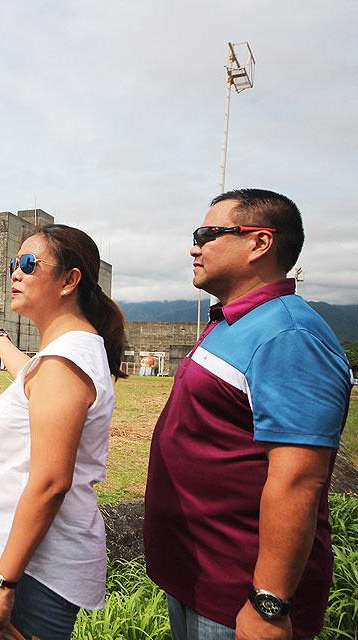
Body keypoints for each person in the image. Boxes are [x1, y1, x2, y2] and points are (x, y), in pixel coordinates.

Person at [144, 189, 353, 640]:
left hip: (238, 596)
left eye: (208, 233)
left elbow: (299, 478)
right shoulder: (233, 321)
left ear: (260, 243)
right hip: (197, 578)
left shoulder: (287, 335)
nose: (194, 246)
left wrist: (268, 603)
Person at [0, 224, 127, 640]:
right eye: (14, 264)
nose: (16, 273)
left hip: (36, 572)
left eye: (30, 264)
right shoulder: (62, 356)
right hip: (31, 564)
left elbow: (51, 482)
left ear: (70, 281)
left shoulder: (65, 361)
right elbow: (32, 379)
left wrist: (4, 583)